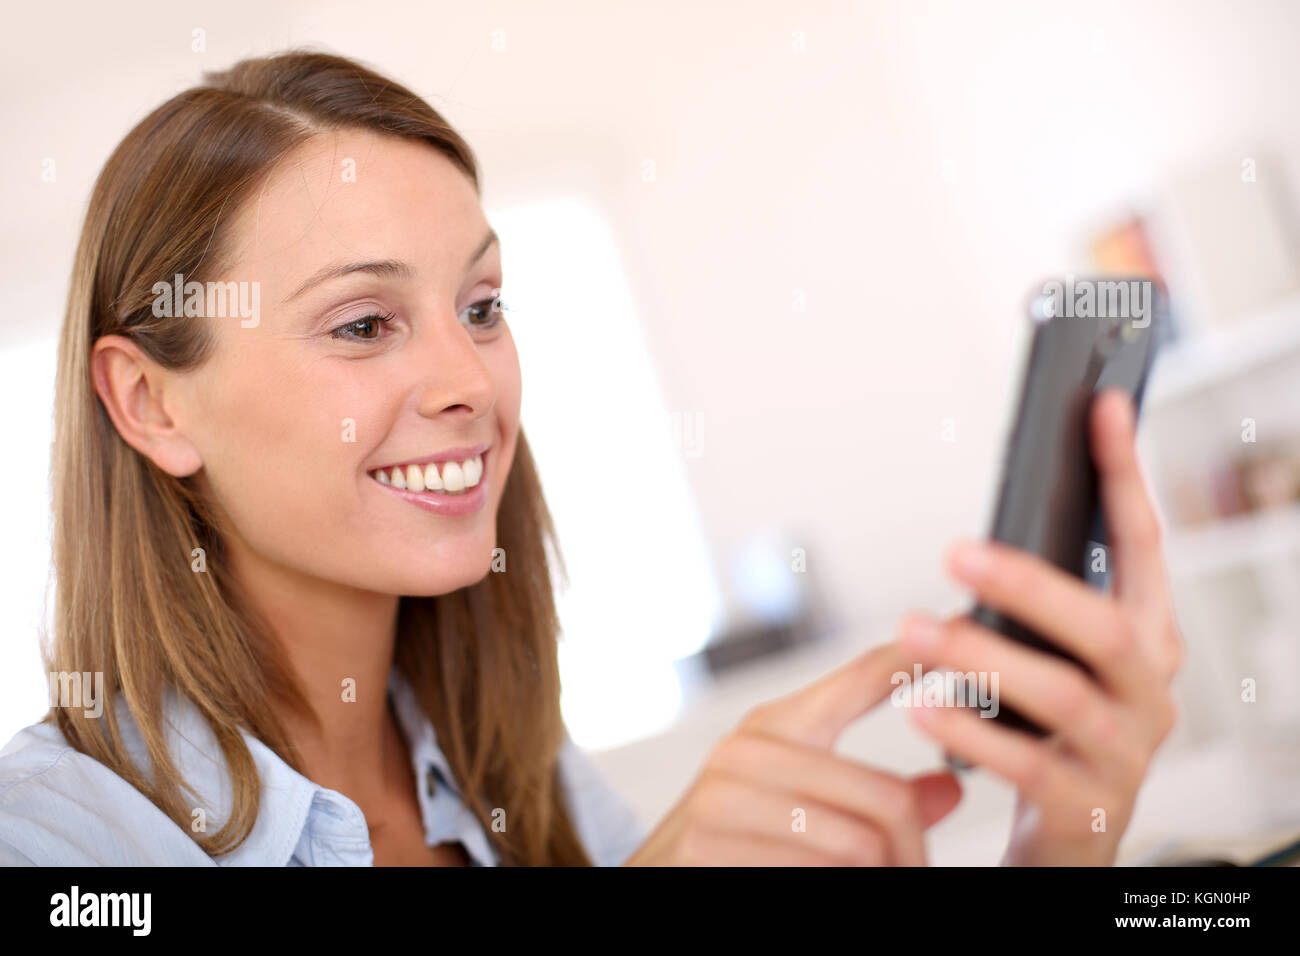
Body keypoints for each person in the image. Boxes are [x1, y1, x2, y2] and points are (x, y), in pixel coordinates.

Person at [0, 50, 1183, 866]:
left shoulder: (510, 762)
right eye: (363, 323)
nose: (472, 378)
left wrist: (1060, 832)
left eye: (480, 303)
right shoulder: (56, 838)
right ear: (150, 403)